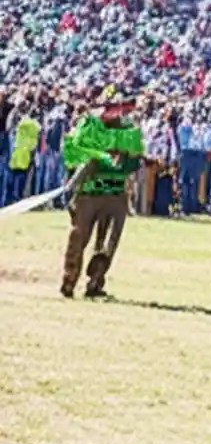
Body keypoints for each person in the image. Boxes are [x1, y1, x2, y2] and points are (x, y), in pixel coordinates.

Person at [60, 86, 144, 299]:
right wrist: (96, 157)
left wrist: (117, 159)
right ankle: (69, 281)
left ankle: (95, 282)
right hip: (89, 193)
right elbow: (72, 151)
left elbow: (133, 161)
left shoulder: (129, 130)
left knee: (107, 243)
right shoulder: (88, 125)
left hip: (115, 193)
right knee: (78, 237)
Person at [5, 103, 39, 206]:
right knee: (21, 179)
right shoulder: (35, 125)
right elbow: (34, 143)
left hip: (16, 153)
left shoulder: (21, 123)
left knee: (11, 178)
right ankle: (18, 199)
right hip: (26, 155)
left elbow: (10, 129)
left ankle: (9, 199)